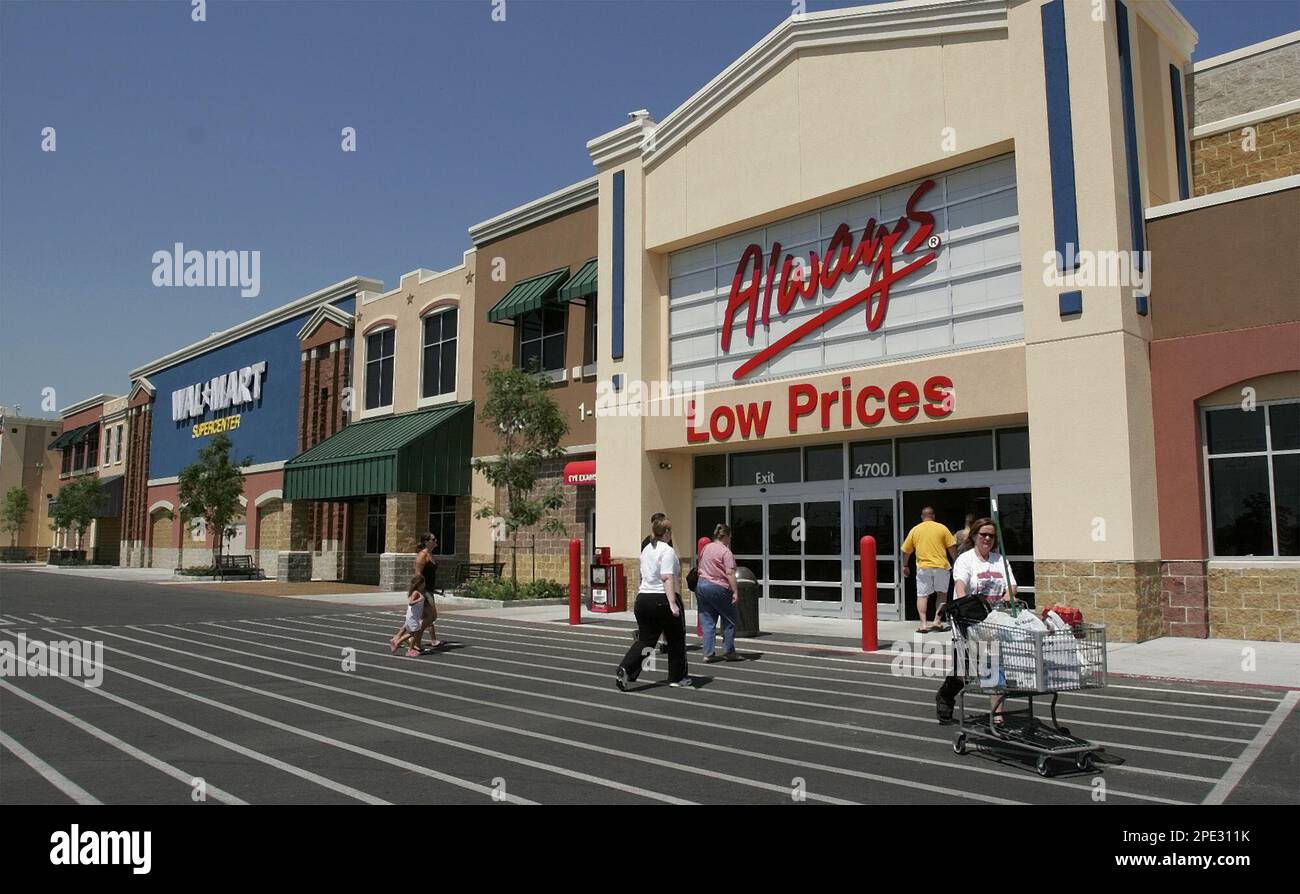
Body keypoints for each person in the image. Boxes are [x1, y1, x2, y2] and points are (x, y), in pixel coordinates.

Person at [935, 517, 1019, 723]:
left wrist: (1008, 598)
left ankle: (997, 715)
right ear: (974, 536)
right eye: (983, 534)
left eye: (991, 535)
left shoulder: (1000, 560)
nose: (987, 538)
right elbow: (961, 585)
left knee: (994, 665)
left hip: (995, 623)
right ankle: (945, 695)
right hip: (967, 621)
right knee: (963, 671)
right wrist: (966, 604)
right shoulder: (966, 560)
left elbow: (1012, 586)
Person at [616, 516, 691, 690]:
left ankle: (626, 668)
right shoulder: (667, 550)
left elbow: (644, 576)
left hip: (643, 599)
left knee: (646, 640)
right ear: (666, 532)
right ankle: (677, 677)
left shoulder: (647, 549)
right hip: (661, 599)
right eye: (670, 531)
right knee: (676, 639)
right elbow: (667, 577)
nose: (671, 534)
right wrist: (672, 603)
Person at [900, 507, 956, 633]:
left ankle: (924, 624)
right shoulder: (942, 528)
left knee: (922, 595)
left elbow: (906, 551)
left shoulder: (915, 530)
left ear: (922, 516)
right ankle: (937, 621)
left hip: (923, 568)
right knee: (942, 594)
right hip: (941, 566)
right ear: (933, 516)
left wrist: (905, 565)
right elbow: (952, 547)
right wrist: (956, 561)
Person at [695, 524, 741, 663]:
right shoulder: (725, 552)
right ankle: (729, 651)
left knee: (708, 621)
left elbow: (700, 565)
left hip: (702, 585)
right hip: (718, 587)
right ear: (725, 536)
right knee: (731, 618)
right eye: (730, 536)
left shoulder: (706, 548)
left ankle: (708, 654)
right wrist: (735, 592)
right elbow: (730, 573)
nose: (730, 539)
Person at [390, 574, 433, 657]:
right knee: (413, 633)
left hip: (414, 616)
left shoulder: (419, 592)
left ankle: (409, 649)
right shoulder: (416, 593)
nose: (425, 585)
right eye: (424, 583)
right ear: (419, 584)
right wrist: (419, 599)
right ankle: (398, 642)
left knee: (414, 633)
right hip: (412, 617)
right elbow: (410, 603)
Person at [414, 533, 444, 648]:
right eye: (433, 539)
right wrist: (420, 590)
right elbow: (418, 574)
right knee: (432, 616)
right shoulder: (422, 555)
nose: (436, 540)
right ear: (426, 542)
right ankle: (415, 639)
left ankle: (410, 640)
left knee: (426, 617)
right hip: (424, 590)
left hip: (429, 589)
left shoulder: (430, 554)